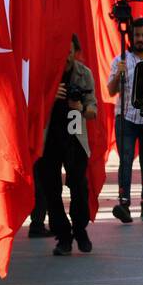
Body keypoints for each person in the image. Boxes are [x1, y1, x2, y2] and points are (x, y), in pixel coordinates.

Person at [35, 35, 97, 256]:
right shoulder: (43, 73)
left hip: (74, 138)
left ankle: (80, 229)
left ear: (76, 51)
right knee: (51, 190)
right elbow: (30, 105)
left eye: (70, 51)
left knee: (79, 187)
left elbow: (93, 110)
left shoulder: (84, 74)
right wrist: (49, 97)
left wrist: (78, 106)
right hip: (47, 139)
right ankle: (63, 236)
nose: (67, 56)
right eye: (62, 51)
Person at [108, 17, 143, 223]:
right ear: (131, 36)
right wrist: (117, 75)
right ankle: (124, 203)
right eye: (136, 35)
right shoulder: (120, 60)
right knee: (126, 160)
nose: (139, 39)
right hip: (126, 118)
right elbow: (111, 91)